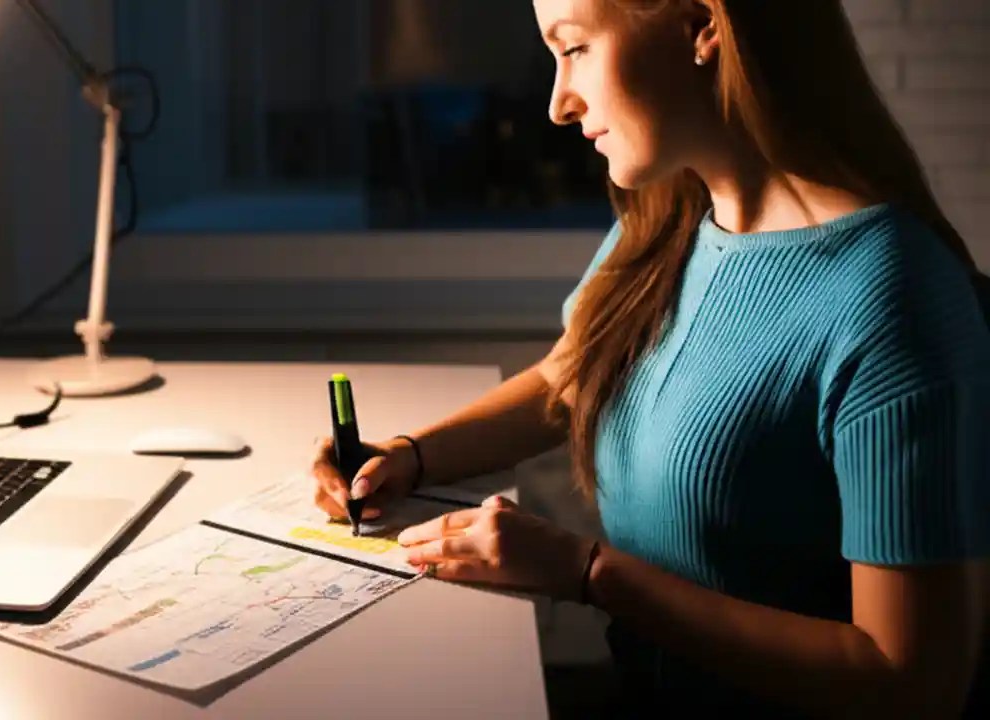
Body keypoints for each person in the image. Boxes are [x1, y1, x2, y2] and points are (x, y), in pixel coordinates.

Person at [309, 0, 990, 716]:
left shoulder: (894, 303)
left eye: (573, 50)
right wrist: (411, 455)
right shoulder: (676, 219)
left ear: (702, 25)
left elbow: (912, 682)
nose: (557, 106)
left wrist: (589, 572)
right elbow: (571, 378)